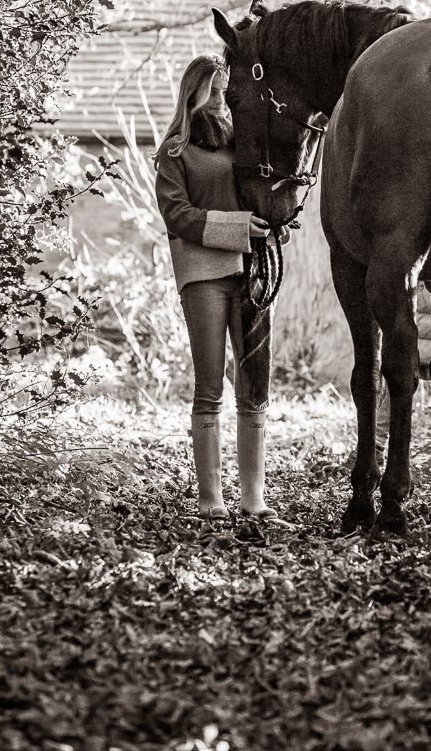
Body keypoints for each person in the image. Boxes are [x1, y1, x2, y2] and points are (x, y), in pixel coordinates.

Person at [154, 54, 278, 520]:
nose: (224, 98)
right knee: (210, 387)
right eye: (216, 90)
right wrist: (240, 227)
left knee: (254, 386)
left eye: (227, 89)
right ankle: (211, 501)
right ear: (195, 92)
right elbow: (176, 216)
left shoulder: (242, 143)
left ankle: (254, 501)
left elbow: (258, 199)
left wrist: (274, 223)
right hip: (202, 276)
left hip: (253, 274)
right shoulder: (174, 151)